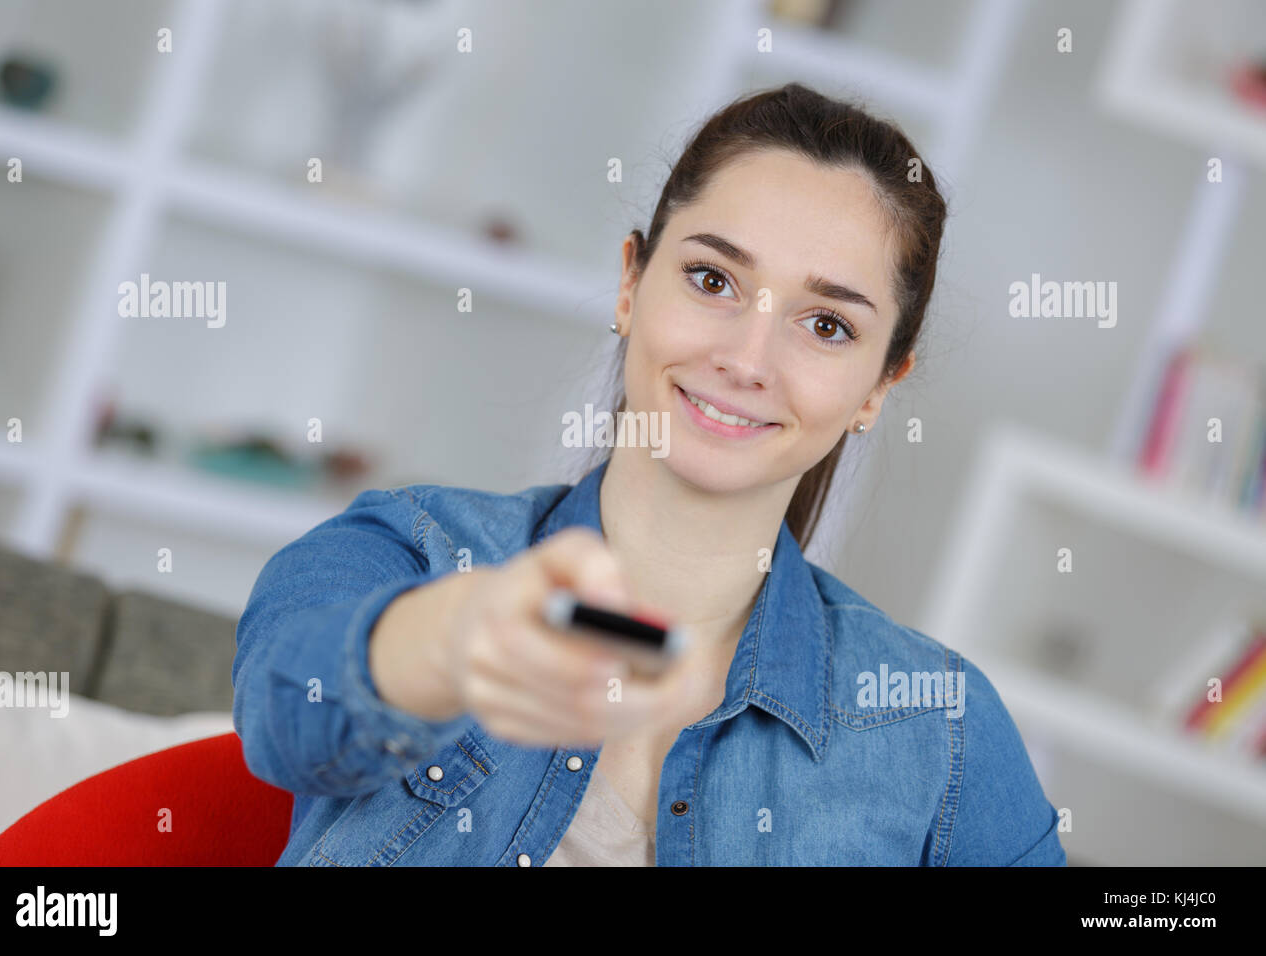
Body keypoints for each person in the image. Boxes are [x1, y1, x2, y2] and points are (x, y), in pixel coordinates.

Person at [233, 82, 1066, 867]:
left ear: (881, 386)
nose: (745, 359)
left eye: (825, 324)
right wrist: (456, 638)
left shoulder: (937, 726)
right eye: (713, 280)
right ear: (631, 283)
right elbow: (282, 718)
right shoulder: (411, 547)